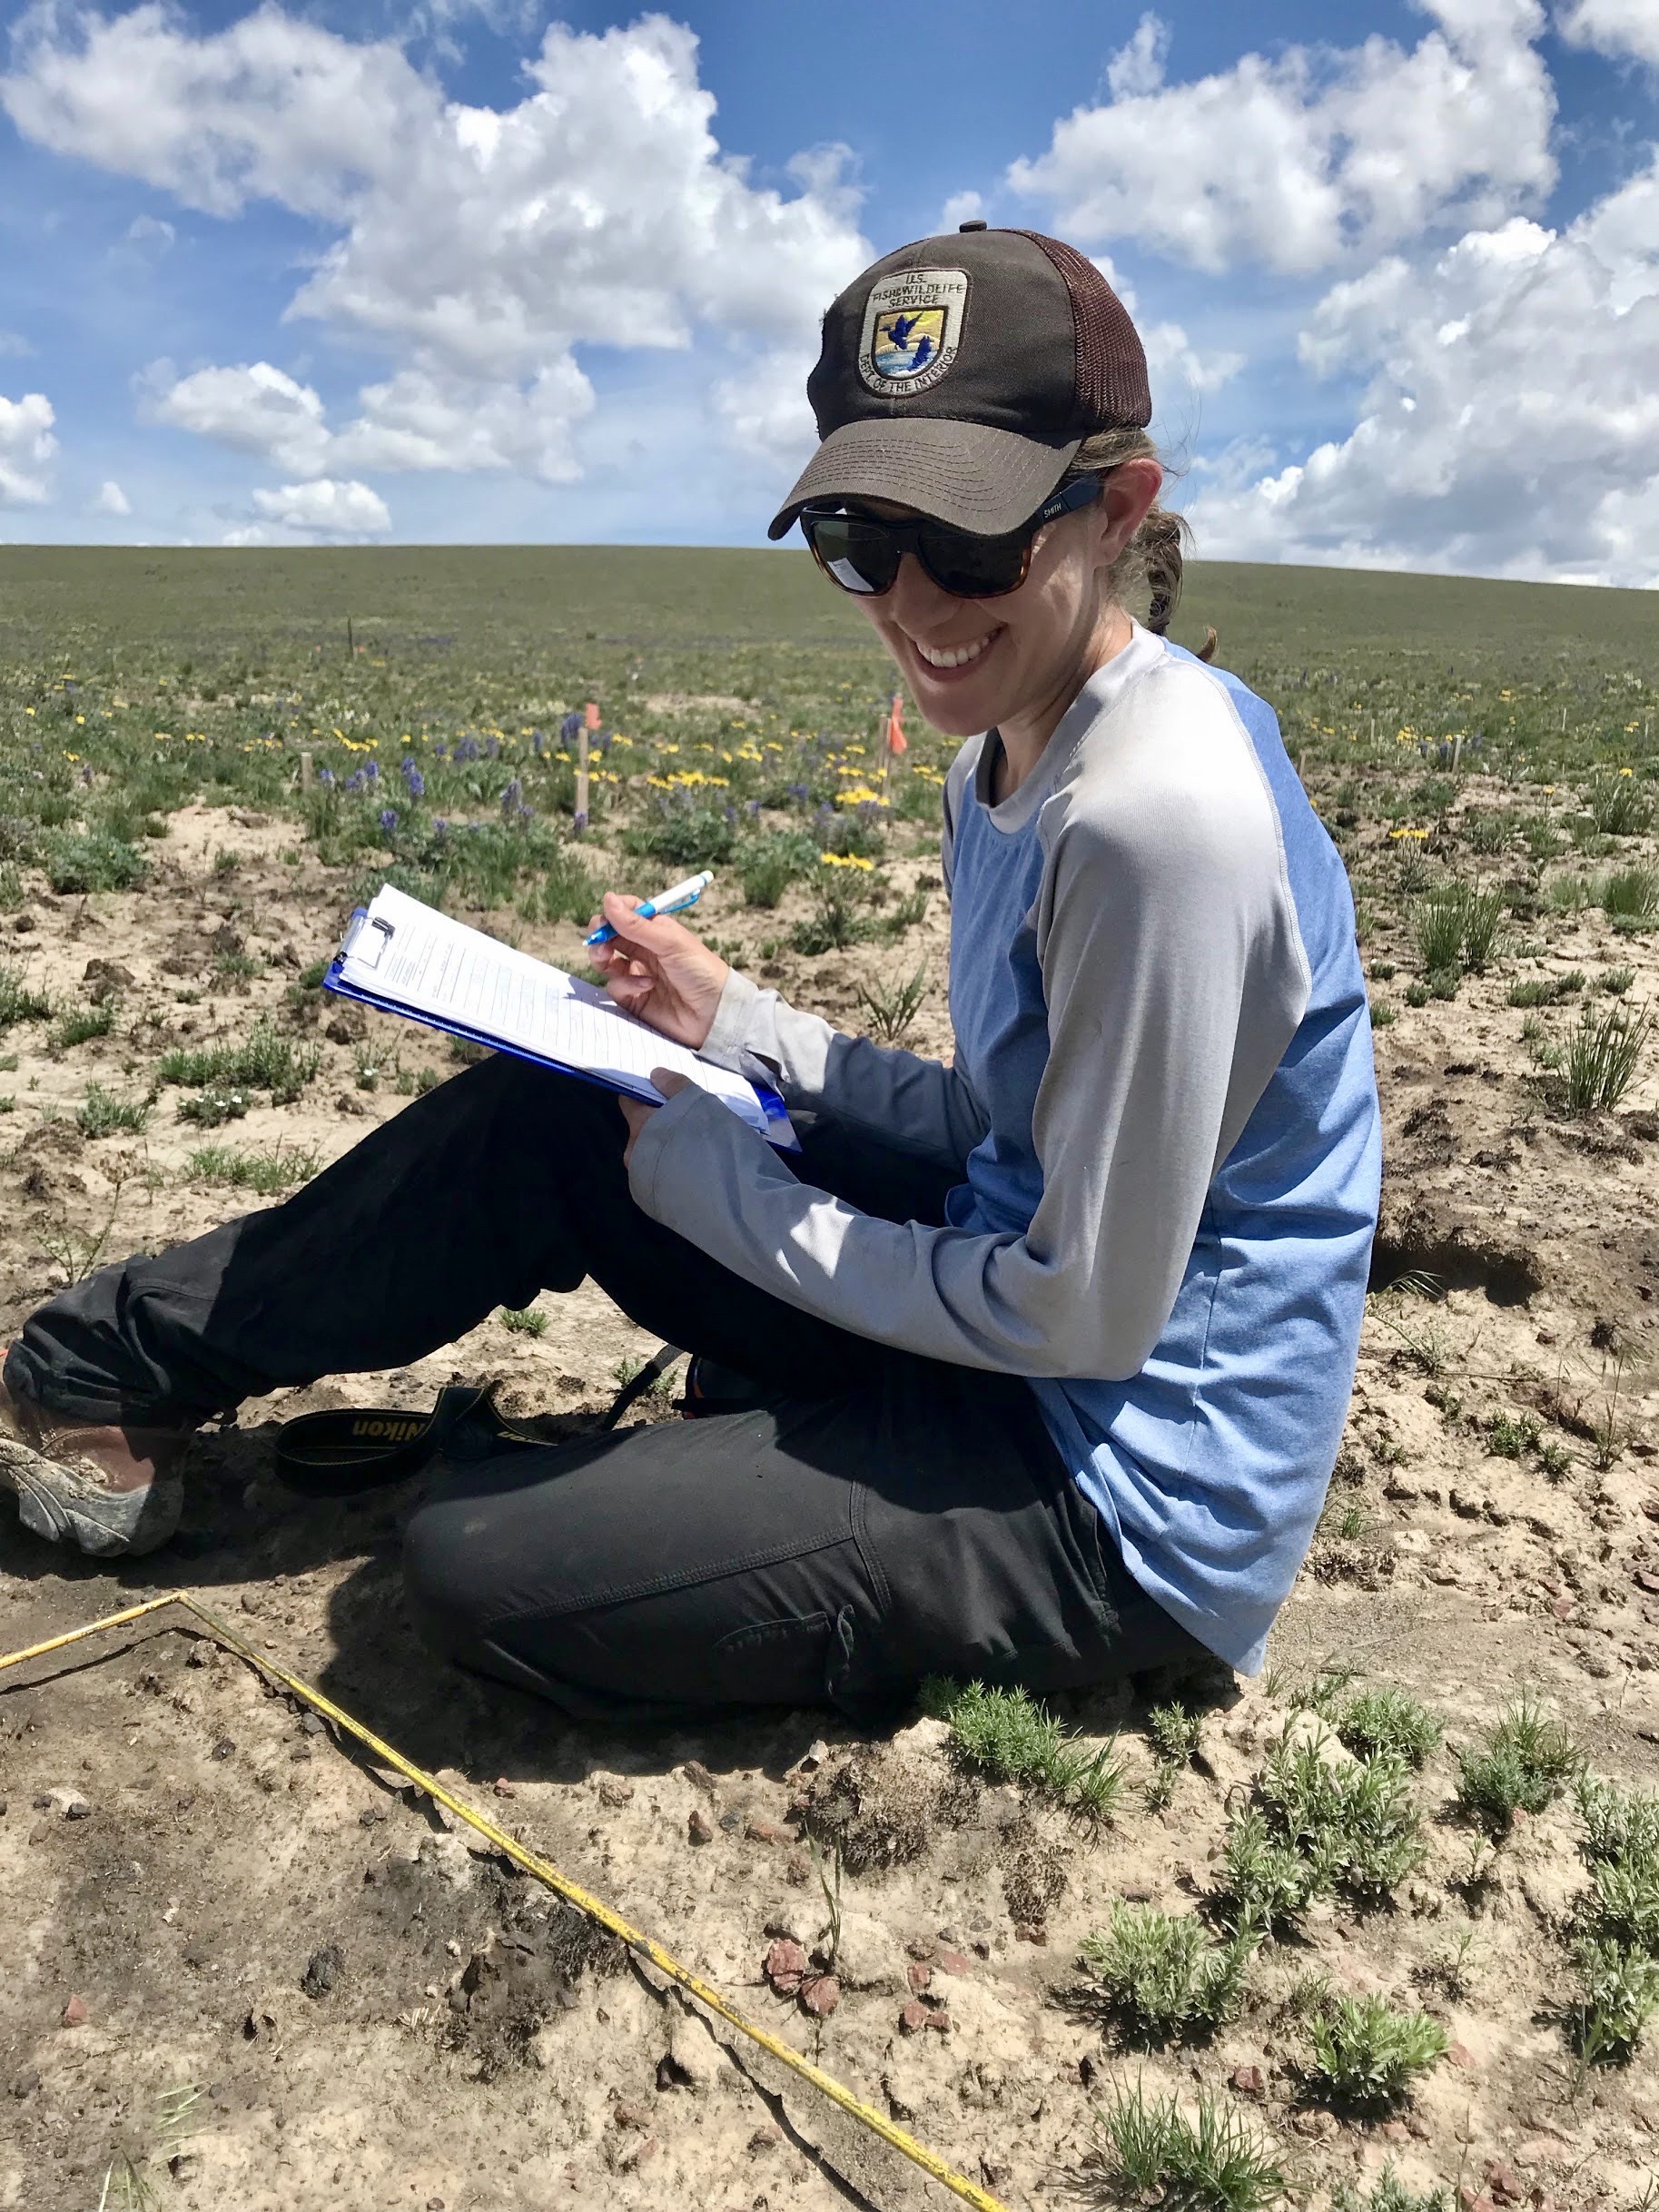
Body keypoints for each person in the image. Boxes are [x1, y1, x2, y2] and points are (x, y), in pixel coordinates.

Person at [0, 224, 1381, 1723]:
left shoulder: (1155, 820)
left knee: (472, 1563)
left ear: (1119, 509)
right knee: (570, 1111)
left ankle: (691, 1478)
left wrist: (741, 1203)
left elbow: (1085, 1316)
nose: (914, 606)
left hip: (1113, 1486)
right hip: (1012, 1336)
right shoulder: (1011, 741)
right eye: (862, 539)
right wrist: (730, 1022)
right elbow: (1006, 1135)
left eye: (976, 542)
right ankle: (89, 1370)